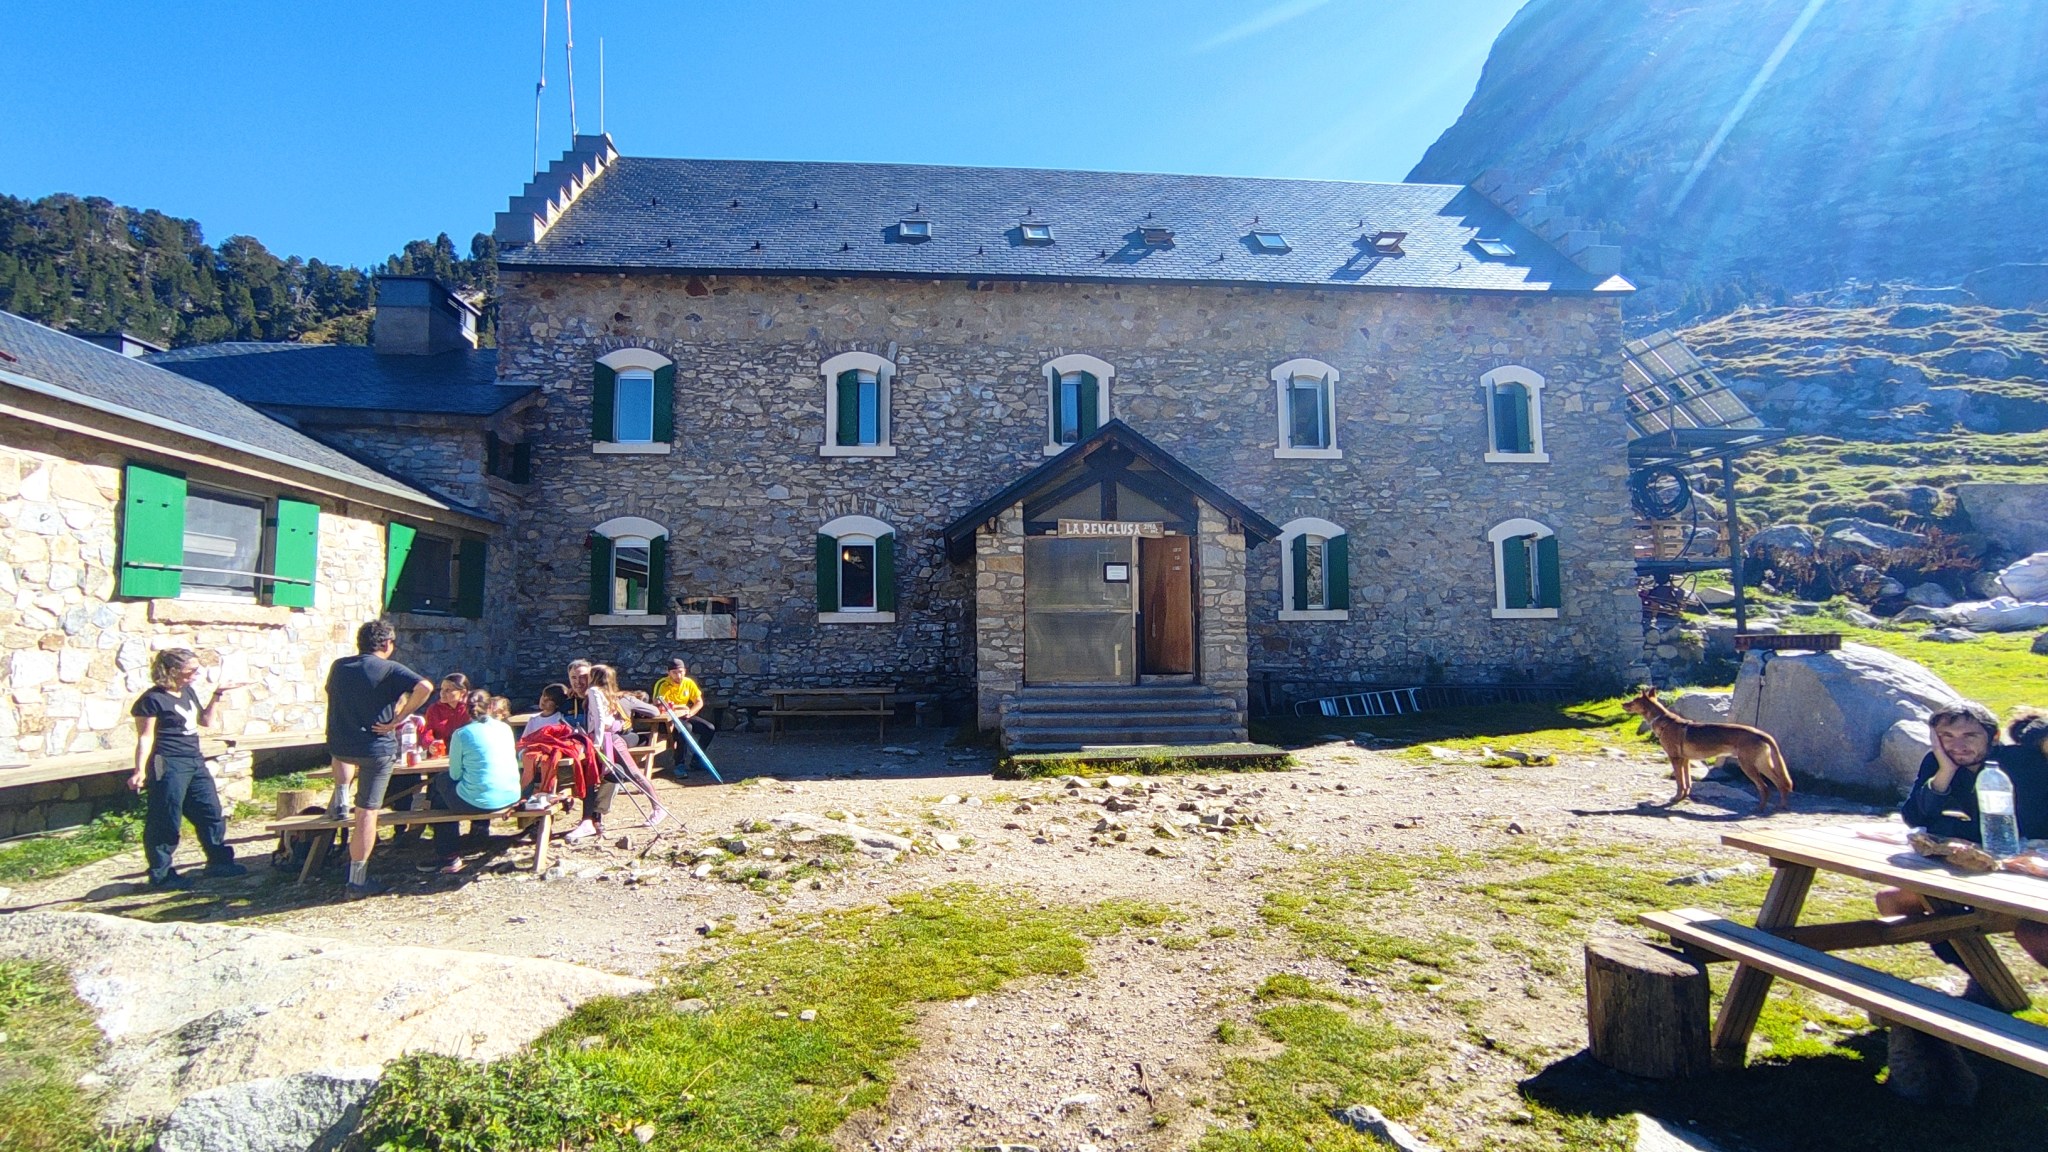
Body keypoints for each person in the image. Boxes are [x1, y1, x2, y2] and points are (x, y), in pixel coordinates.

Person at [1881, 702, 2048, 970]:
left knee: (2035, 933)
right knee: (1893, 900)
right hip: (1979, 867)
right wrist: (1945, 773)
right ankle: (1983, 977)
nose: (1957, 745)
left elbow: (2027, 823)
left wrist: (1954, 831)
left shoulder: (2020, 762)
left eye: (1969, 736)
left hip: (2027, 864)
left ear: (1993, 737)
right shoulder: (1937, 762)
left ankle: (1990, 989)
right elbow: (1915, 817)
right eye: (1947, 736)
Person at [324, 620, 434, 898]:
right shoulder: (390, 669)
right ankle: (357, 879)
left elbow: (331, 694)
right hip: (376, 747)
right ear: (387, 644)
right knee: (367, 812)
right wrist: (400, 717)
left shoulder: (339, 666)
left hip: (341, 743)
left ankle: (340, 797)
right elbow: (425, 687)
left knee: (343, 755)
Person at [129, 649, 246, 889]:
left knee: (210, 810)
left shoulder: (187, 692)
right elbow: (145, 737)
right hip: (168, 761)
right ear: (172, 671)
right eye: (190, 670)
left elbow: (205, 722)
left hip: (193, 759)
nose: (196, 674)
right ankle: (161, 873)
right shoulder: (152, 700)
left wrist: (217, 695)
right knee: (166, 816)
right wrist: (139, 769)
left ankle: (218, 861)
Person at [561, 663, 668, 842]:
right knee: (599, 773)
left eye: (583, 677)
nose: (579, 682)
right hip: (599, 742)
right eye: (574, 678)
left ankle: (657, 807)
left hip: (611, 740)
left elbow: (602, 720)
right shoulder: (583, 697)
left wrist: (597, 740)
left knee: (626, 772)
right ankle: (591, 820)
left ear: (592, 677)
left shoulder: (599, 694)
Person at [419, 691, 521, 875]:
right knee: (469, 785)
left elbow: (455, 773)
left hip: (479, 801)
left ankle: (448, 855)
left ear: (466, 710)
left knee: (441, 787)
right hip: (510, 795)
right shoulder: (505, 728)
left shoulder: (462, 734)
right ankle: (479, 831)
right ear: (490, 707)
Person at [652, 657, 715, 771]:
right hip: (668, 720)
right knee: (686, 729)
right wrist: (680, 706)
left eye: (680, 672)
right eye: (674, 673)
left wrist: (691, 712)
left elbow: (698, 701)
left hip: (684, 716)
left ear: (685, 671)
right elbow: (658, 704)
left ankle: (696, 760)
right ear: (668, 673)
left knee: (709, 728)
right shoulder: (663, 684)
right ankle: (679, 764)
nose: (678, 676)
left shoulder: (688, 683)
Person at [421, 674, 472, 750]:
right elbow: (427, 733)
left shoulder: (471, 708)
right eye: (442, 689)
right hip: (441, 754)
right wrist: (431, 743)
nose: (442, 693)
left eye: (448, 690)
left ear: (462, 692)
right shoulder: (434, 709)